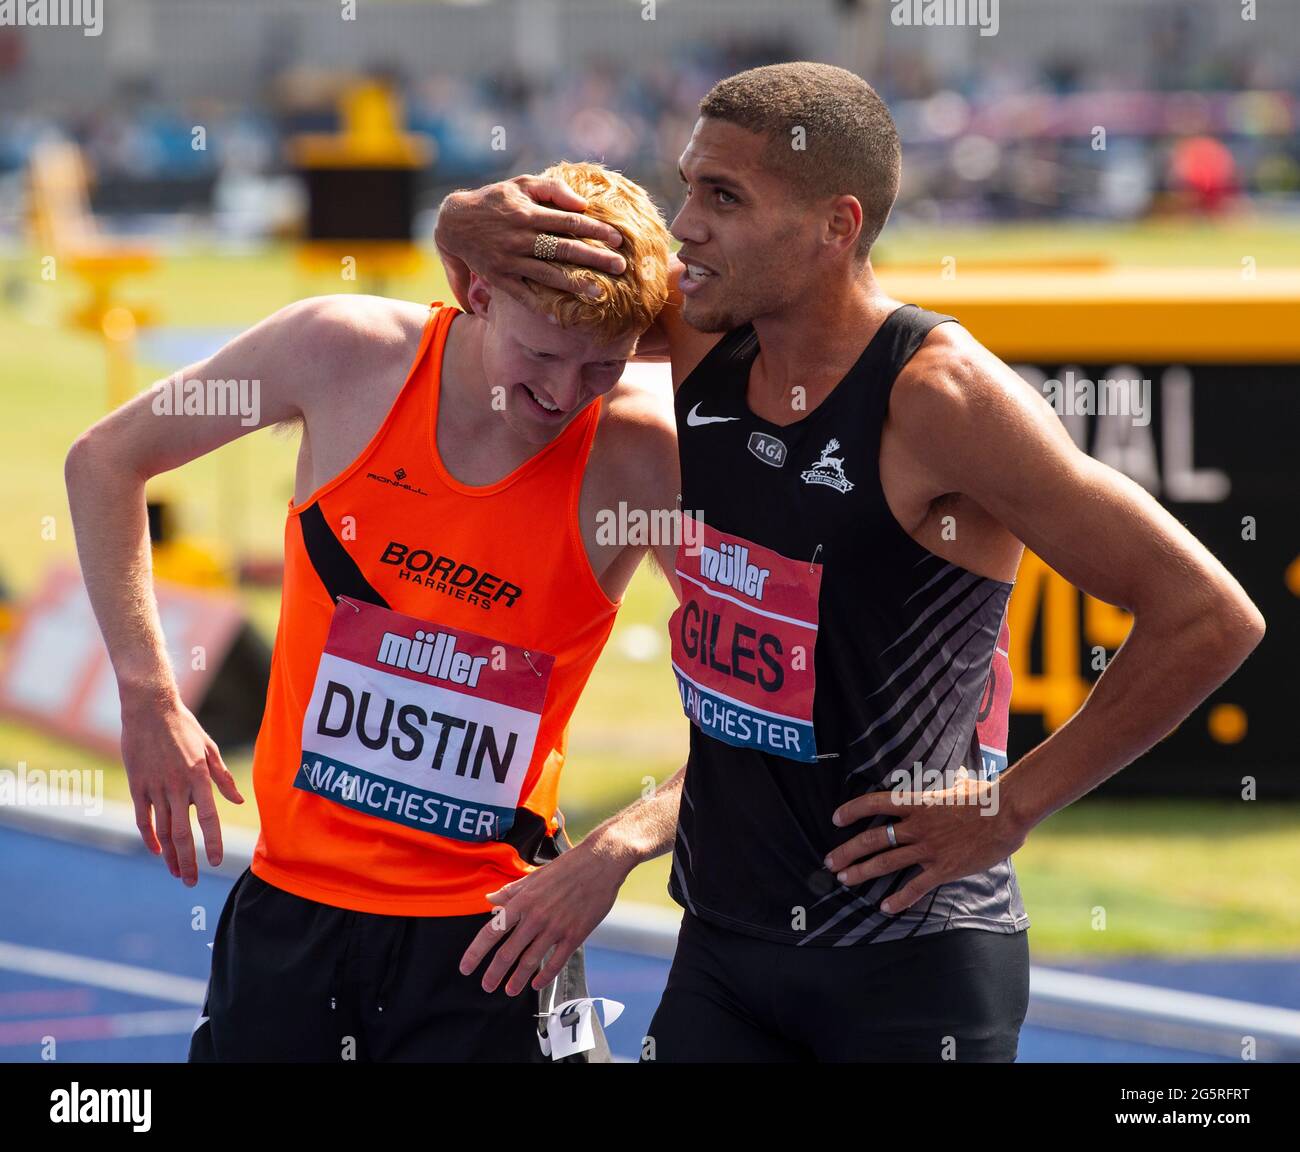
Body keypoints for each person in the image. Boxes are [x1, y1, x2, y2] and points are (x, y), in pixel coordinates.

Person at [435, 62, 1266, 1062]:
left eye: (724, 197)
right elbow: (528, 282)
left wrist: (1010, 808)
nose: (684, 224)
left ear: (836, 225)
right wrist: (456, 219)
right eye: (688, 184)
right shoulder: (703, 336)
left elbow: (1209, 614)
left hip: (906, 963)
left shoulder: (939, 399)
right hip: (723, 951)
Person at [64, 161, 679, 1062]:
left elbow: (775, 703)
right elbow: (106, 459)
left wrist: (620, 845)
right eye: (541, 355)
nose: (561, 395)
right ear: (475, 289)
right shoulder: (340, 352)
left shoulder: (641, 454)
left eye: (603, 365)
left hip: (499, 937)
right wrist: (149, 695)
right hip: (293, 914)